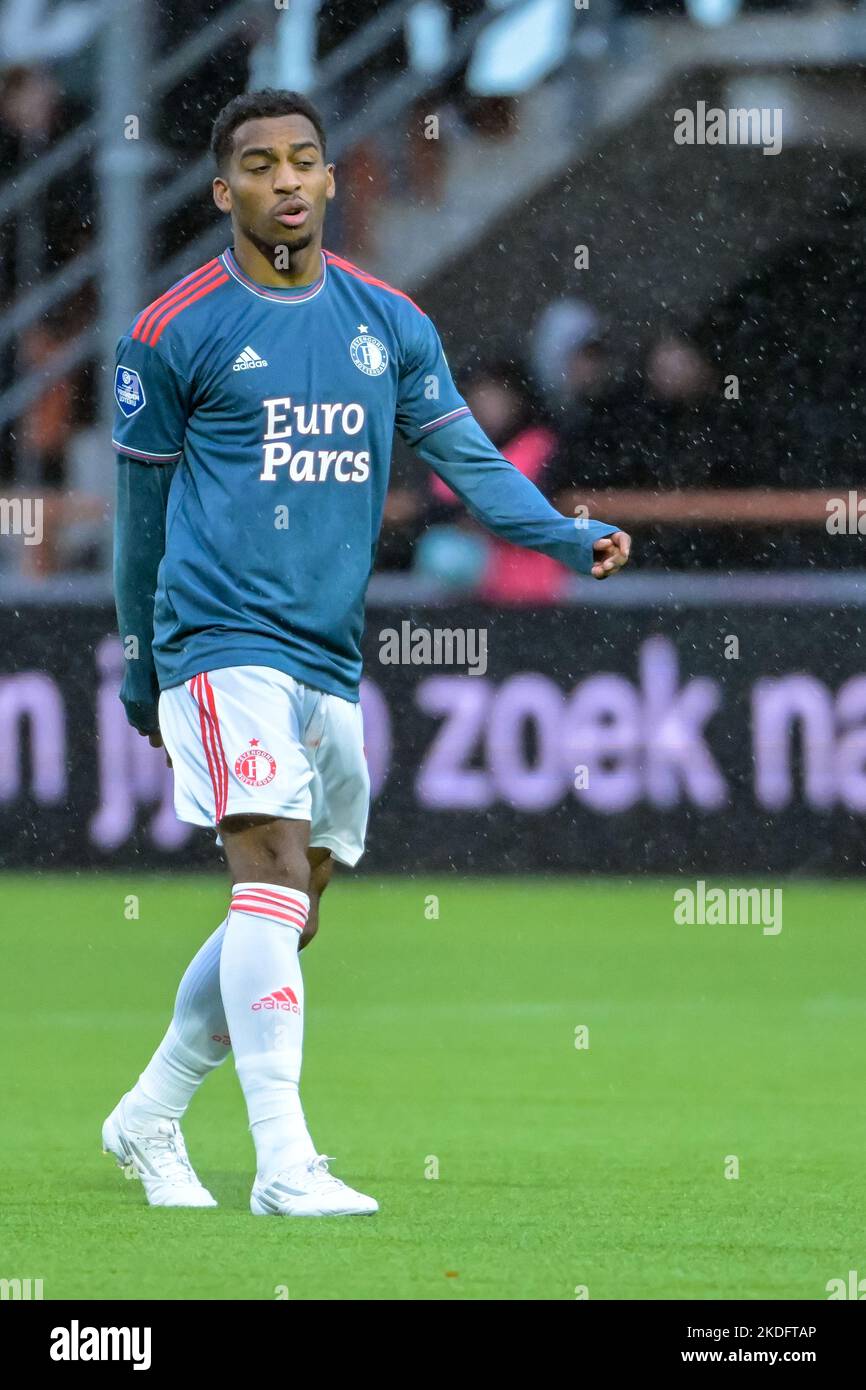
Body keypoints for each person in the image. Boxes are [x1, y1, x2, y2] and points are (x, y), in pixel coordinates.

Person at [108, 88, 631, 1220]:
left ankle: (150, 1114)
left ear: (331, 180)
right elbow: (139, 521)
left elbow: (468, 460)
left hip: (323, 655)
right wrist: (144, 662)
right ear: (223, 191)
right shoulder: (170, 331)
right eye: (260, 165)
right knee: (270, 875)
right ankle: (283, 1163)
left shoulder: (387, 322)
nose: (286, 180)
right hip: (218, 638)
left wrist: (560, 529)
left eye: (304, 160)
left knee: (293, 900)